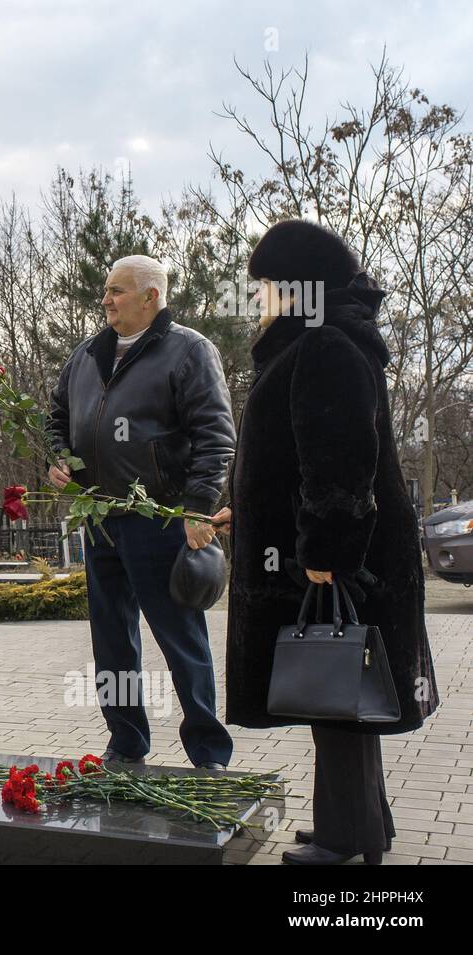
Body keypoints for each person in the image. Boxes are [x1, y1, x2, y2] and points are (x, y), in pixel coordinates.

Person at [210, 219, 440, 865]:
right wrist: (243, 508)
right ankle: (365, 823)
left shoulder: (324, 344)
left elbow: (339, 462)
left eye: (264, 284)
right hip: (321, 554)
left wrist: (326, 555)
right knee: (340, 694)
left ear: (296, 285)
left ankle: (346, 838)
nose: (257, 297)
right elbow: (293, 454)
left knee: (338, 696)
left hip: (334, 559)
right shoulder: (320, 341)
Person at [49, 254, 235, 769]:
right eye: (106, 290)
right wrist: (59, 458)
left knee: (181, 638)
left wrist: (197, 509)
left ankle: (208, 752)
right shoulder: (86, 356)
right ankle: (126, 743)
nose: (105, 299)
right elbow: (55, 418)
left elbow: (216, 435)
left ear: (151, 296)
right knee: (112, 642)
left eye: (117, 290)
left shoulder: (189, 351)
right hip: (99, 518)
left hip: (161, 519)